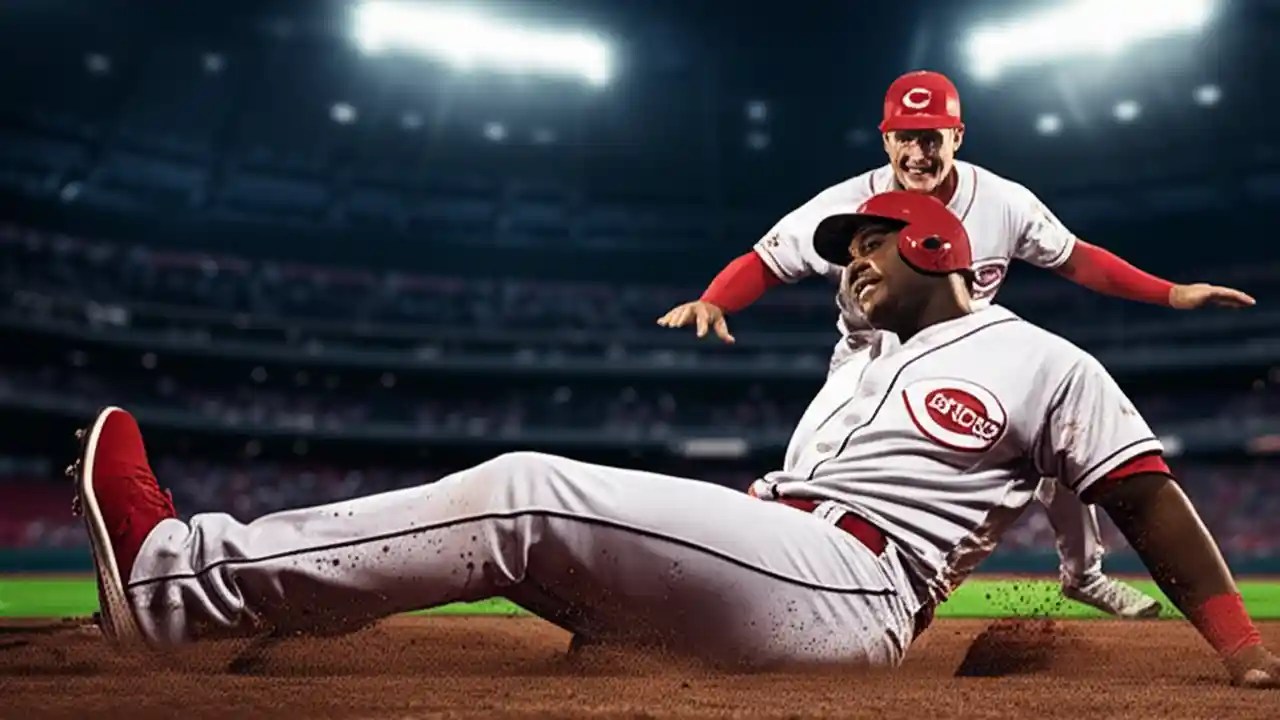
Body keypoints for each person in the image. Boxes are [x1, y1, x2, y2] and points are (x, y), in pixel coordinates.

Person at [72, 191, 1277, 686]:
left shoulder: (1042, 358)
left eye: (859, 248)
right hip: (779, 554)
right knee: (542, 531)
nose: (841, 263)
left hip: (852, 589)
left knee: (528, 491)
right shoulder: (864, 360)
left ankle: (177, 587)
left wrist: (1233, 650)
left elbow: (1144, 494)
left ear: (929, 252)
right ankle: (278, 622)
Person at [657, 70, 1256, 619]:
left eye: (934, 137)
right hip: (869, 359)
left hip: (969, 350)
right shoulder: (844, 205)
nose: (920, 153)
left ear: (958, 136)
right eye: (907, 138)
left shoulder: (1001, 200)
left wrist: (1170, 293)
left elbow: (1078, 259)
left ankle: (1084, 573)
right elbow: (767, 260)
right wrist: (716, 299)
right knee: (810, 475)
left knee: (1059, 432)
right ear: (886, 141)